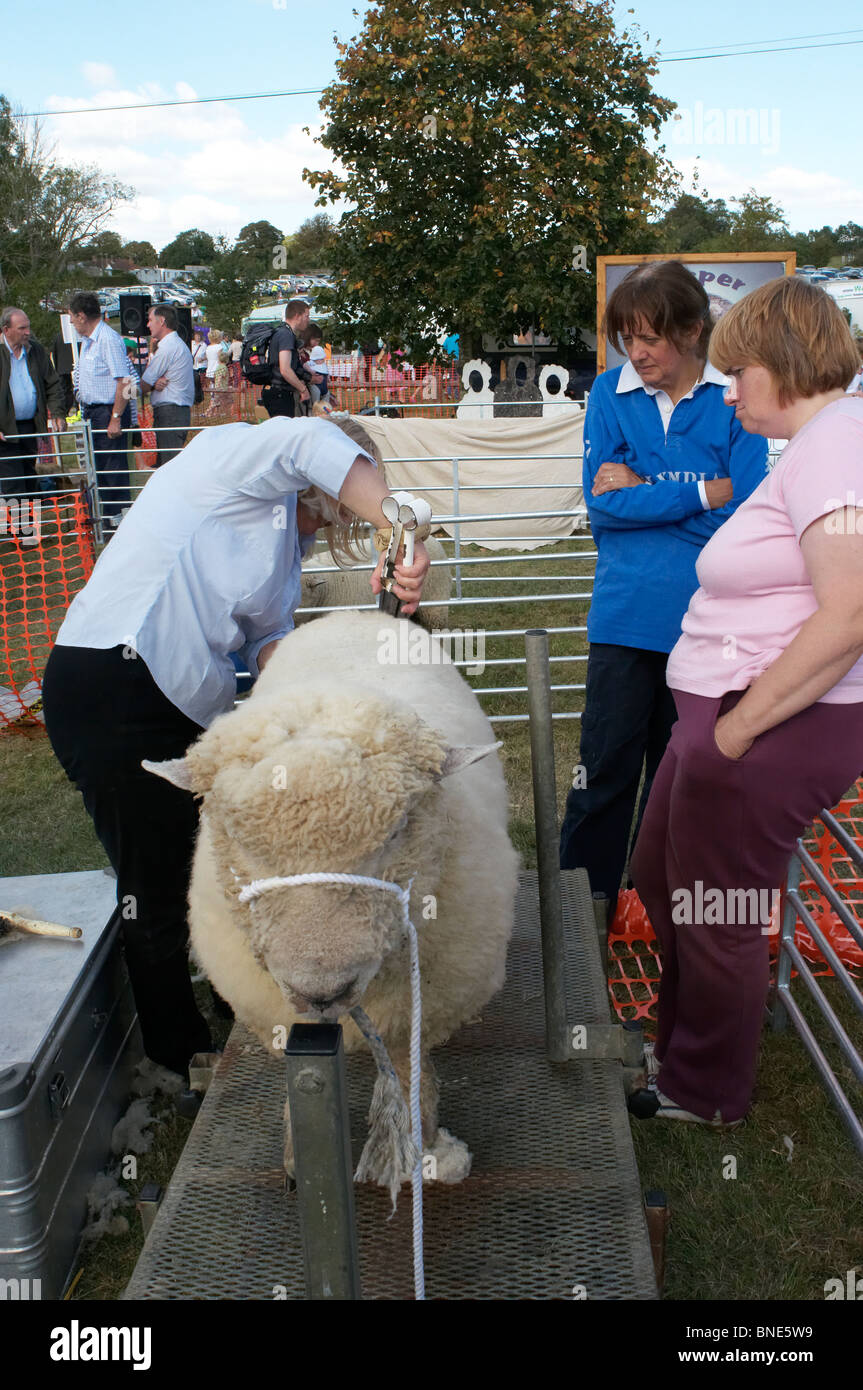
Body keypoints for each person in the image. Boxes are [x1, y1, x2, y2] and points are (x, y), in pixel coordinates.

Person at [40, 415, 432, 1082]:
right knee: (157, 884)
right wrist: (402, 526)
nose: (336, 526)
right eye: (345, 504)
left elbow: (266, 645)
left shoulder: (284, 550)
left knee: (217, 868)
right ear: (331, 479)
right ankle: (180, 1056)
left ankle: (238, 1010)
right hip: (111, 685)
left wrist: (333, 668)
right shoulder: (232, 461)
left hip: (178, 708)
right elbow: (307, 440)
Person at [630, 276, 863, 1128]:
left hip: (765, 718)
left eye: (740, 372)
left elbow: (850, 613)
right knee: (663, 877)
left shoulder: (837, 446)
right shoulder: (821, 444)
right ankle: (685, 1039)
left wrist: (735, 731)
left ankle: (704, 1088)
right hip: (737, 713)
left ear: (785, 364)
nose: (728, 391)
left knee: (715, 906)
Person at [558, 261, 769, 919]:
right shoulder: (606, 394)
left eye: (650, 337)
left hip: (711, 626)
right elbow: (603, 509)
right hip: (624, 621)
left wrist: (646, 493)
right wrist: (704, 491)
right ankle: (581, 917)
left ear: (691, 328)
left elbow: (749, 512)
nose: (638, 352)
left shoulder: (731, 396)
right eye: (627, 338)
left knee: (684, 784)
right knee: (602, 776)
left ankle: (665, 911)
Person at [68, 290, 132, 528]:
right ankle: (108, 520)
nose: (72, 322)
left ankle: (117, 523)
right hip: (94, 412)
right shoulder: (88, 341)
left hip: (108, 411)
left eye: (72, 317)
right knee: (102, 470)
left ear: (82, 315)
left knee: (113, 469)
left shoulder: (107, 339)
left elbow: (125, 382)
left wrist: (115, 417)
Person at [0, 307, 66, 501]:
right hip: (4, 431)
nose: (27, 332)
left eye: (27, 327)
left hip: (30, 426)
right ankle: (21, 531)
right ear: (6, 330)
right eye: (21, 328)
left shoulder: (35, 350)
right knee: (13, 484)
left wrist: (57, 413)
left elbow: (53, 383)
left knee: (30, 480)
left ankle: (30, 529)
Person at [140, 304, 195, 466]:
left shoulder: (168, 348)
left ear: (162, 321)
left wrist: (145, 386)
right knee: (167, 464)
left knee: (168, 466)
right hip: (173, 413)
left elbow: (143, 385)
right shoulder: (175, 345)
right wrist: (153, 384)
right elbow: (149, 383)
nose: (147, 325)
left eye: (150, 320)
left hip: (170, 413)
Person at [261, 300, 312, 419]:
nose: (308, 320)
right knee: (284, 434)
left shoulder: (283, 332)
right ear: (297, 316)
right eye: (306, 316)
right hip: (279, 393)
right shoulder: (286, 335)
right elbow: (285, 369)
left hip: (277, 391)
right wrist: (303, 389)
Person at [204, 330, 229, 414]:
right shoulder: (219, 347)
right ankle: (210, 410)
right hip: (218, 370)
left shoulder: (208, 347)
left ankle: (214, 412)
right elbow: (220, 359)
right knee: (218, 392)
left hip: (209, 371)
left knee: (213, 391)